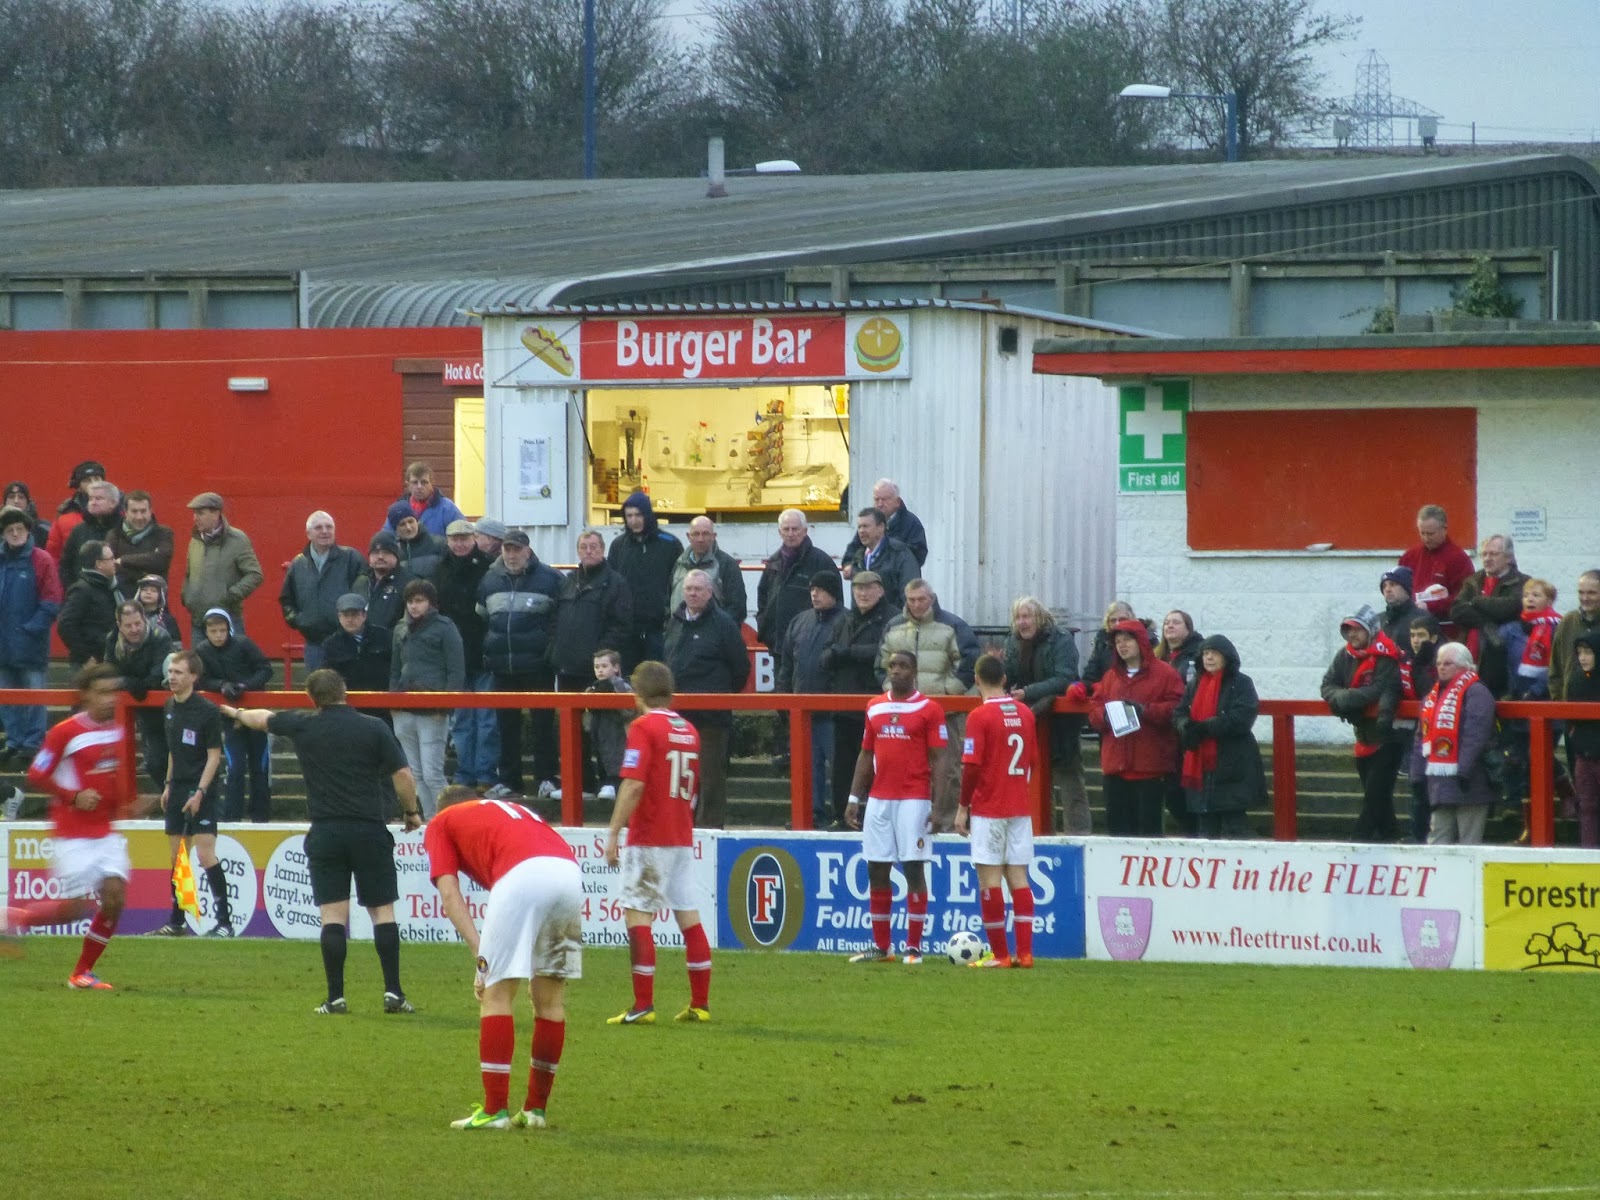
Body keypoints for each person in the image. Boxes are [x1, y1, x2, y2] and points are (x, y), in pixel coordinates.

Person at [222, 669, 423, 1015]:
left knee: (332, 915)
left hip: (327, 831)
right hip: (369, 829)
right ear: (345, 690)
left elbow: (263, 719)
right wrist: (411, 812)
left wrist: (237, 714)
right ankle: (393, 992)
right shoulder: (374, 727)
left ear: (311, 698)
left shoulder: (304, 724)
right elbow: (403, 774)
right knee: (383, 912)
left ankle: (336, 998)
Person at [426, 784, 582, 1131]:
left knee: (495, 993)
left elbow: (449, 896)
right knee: (550, 1000)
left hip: (521, 875)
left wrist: (481, 958)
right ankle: (535, 1111)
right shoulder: (510, 809)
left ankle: (495, 1110)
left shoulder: (441, 822)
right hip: (569, 872)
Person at [4, 666, 144, 987]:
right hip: (73, 834)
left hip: (106, 831)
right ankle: (11, 919)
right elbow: (37, 774)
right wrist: (74, 796)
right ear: (86, 695)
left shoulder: (120, 729)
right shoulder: (64, 732)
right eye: (102, 692)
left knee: (115, 898)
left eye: (114, 692)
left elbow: (113, 776)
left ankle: (81, 973)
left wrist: (129, 802)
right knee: (75, 909)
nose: (110, 699)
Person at [602, 661, 713, 1025]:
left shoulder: (643, 727)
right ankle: (699, 1004)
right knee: (688, 916)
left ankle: (643, 1004)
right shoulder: (689, 729)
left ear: (637, 694)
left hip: (649, 835)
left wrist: (615, 831)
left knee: (638, 916)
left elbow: (633, 784)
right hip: (681, 834)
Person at [844, 649, 950, 965]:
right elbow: (866, 754)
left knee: (913, 867)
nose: (897, 671)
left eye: (903, 666)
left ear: (914, 671)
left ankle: (914, 947)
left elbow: (941, 759)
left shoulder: (929, 709)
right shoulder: (875, 707)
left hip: (914, 799)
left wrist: (939, 803)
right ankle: (882, 947)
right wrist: (853, 798)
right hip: (879, 799)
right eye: (892, 665)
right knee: (876, 867)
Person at [954, 654, 1038, 968]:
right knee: (1019, 877)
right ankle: (1026, 953)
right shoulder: (1025, 713)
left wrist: (963, 808)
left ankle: (1001, 956)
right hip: (1019, 806)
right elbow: (1032, 761)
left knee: (989, 881)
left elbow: (971, 767)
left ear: (977, 680)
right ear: (1004, 680)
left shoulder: (979, 717)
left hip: (990, 808)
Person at [878, 580, 977, 831]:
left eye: (921, 599)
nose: (916, 605)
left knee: (950, 768)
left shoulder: (952, 626)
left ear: (932, 598)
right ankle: (913, 821)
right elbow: (880, 665)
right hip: (904, 712)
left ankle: (948, 822)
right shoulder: (893, 627)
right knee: (910, 767)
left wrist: (948, 692)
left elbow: (969, 661)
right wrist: (892, 692)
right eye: (911, 600)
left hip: (944, 711)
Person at [148, 650, 232, 938]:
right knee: (178, 857)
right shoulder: (169, 706)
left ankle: (224, 922)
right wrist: (169, 784)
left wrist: (200, 792)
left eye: (179, 672)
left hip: (202, 787)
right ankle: (177, 920)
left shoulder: (207, 710)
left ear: (194, 677)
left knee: (206, 854)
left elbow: (213, 756)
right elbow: (173, 750)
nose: (172, 677)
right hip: (179, 786)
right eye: (171, 671)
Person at [478, 530, 562, 801]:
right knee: (507, 727)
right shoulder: (490, 579)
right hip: (503, 666)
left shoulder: (550, 579)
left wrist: (549, 652)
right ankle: (509, 780)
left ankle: (546, 778)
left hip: (538, 665)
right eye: (507, 550)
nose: (512, 555)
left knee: (543, 725)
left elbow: (560, 621)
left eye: (517, 550)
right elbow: (482, 616)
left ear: (528, 550)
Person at [663, 569, 749, 828]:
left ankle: (709, 830)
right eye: (688, 589)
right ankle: (678, 827)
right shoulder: (674, 621)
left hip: (711, 718)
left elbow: (741, 667)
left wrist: (720, 696)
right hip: (678, 718)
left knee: (710, 778)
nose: (692, 593)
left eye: (698, 589)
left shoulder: (723, 624)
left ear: (710, 593)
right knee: (678, 777)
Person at [551, 530, 633, 796]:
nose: (588, 551)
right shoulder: (567, 582)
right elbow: (555, 620)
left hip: (598, 672)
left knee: (604, 730)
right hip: (567, 669)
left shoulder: (615, 582)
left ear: (603, 550)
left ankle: (609, 780)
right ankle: (578, 783)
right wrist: (554, 652)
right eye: (584, 546)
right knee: (570, 731)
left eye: (594, 546)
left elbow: (621, 625)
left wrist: (601, 659)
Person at [756, 509, 839, 769]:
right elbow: (763, 599)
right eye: (786, 529)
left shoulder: (821, 562)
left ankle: (812, 757)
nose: (791, 533)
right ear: (779, 532)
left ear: (805, 530)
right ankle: (789, 752)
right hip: (780, 646)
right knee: (783, 700)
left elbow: (837, 605)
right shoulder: (773, 563)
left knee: (811, 704)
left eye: (795, 529)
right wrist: (765, 627)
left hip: (812, 647)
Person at [1087, 618, 1185, 837]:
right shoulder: (1111, 677)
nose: (1122, 645)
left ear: (1141, 642)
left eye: (1127, 640)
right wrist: (1105, 716)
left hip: (1150, 768)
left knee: (1148, 837)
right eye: (1118, 642)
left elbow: (1176, 708)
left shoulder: (1165, 674)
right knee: (1117, 836)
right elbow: (1094, 708)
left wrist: (1144, 710)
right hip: (1115, 768)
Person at [1001, 596, 1088, 835]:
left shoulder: (1061, 640)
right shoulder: (1012, 642)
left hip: (1062, 722)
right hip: (1029, 719)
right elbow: (1005, 673)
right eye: (1018, 617)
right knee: (1036, 781)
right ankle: (1040, 834)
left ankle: (1077, 836)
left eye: (1026, 616)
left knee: (1070, 781)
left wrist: (1028, 691)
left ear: (1039, 617)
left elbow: (1064, 677)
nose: (1022, 622)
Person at [1320, 605, 1404, 842]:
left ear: (1371, 631)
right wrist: (1341, 698)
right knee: (1378, 797)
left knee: (1375, 796)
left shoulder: (1387, 656)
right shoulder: (1344, 656)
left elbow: (1379, 688)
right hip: (1363, 735)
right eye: (1347, 630)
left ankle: (1357, 843)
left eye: (1357, 629)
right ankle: (1392, 839)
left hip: (1389, 734)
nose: (1352, 635)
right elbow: (1327, 685)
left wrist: (1345, 698)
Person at [1172, 635, 1265, 840]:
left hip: (1232, 763)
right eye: (1205, 653)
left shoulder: (1241, 682)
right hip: (1200, 766)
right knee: (1206, 829)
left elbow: (1243, 716)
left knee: (1235, 828)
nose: (1209, 657)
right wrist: (1186, 727)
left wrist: (1206, 727)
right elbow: (1179, 712)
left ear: (1227, 657)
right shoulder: (1195, 684)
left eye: (1214, 653)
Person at [777, 571, 848, 828]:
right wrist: (783, 696)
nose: (814, 594)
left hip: (834, 713)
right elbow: (787, 664)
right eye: (812, 589)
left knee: (837, 767)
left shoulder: (847, 621)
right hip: (802, 711)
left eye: (821, 589)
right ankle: (811, 815)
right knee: (806, 768)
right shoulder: (799, 621)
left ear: (834, 592)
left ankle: (841, 815)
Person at [389, 578, 465, 819]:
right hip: (403, 707)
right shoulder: (400, 628)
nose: (414, 606)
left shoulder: (445, 627)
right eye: (410, 601)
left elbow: (456, 669)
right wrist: (393, 702)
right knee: (415, 773)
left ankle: (450, 820)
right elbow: (394, 667)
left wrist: (447, 703)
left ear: (431, 603)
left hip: (433, 708)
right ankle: (432, 821)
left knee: (432, 773)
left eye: (419, 601)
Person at [433, 519, 499, 790]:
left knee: (486, 718)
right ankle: (464, 773)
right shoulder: (438, 570)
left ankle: (485, 773)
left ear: (473, 539)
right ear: (448, 540)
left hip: (482, 653)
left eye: (464, 538)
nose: (459, 543)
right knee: (461, 721)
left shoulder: (488, 568)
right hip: (453, 658)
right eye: (454, 538)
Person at [1411, 642, 1496, 845]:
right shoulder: (1432, 697)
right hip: (1440, 783)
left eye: (1448, 663)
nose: (1441, 667)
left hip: (1470, 782)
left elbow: (1476, 734)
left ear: (1464, 666)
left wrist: (1463, 770)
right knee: (1437, 841)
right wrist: (1416, 773)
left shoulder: (1477, 692)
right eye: (1439, 663)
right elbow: (1420, 737)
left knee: (1469, 844)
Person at [826, 572, 893, 825]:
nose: (862, 594)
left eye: (868, 588)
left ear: (880, 590)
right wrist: (834, 656)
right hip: (843, 706)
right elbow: (828, 651)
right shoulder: (844, 619)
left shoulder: (890, 618)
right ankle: (841, 816)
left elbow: (884, 653)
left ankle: (874, 817)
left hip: (875, 706)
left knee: (877, 765)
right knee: (842, 765)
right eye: (857, 589)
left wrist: (847, 653)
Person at [196, 609, 274, 823]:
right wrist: (222, 686)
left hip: (256, 713)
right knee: (235, 767)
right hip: (228, 716)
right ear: (206, 632)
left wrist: (246, 685)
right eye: (213, 631)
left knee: (260, 766)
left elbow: (265, 669)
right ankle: (232, 818)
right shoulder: (202, 651)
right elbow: (201, 679)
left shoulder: (244, 644)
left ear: (229, 628)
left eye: (222, 630)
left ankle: (261, 817)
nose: (218, 635)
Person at [0, 504, 62, 769]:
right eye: (10, 530)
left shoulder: (41, 559)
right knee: (6, 696)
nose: (15, 534)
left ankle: (33, 742)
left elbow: (51, 601)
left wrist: (29, 630)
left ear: (28, 531)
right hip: (2, 644)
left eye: (19, 529)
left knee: (35, 694)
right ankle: (13, 741)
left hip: (30, 644)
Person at [101, 600, 174, 791]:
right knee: (155, 763)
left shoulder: (160, 637)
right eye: (128, 625)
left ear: (145, 620)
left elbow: (157, 675)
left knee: (180, 759)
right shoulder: (112, 640)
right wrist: (130, 683)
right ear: (119, 625)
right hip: (143, 711)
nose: (134, 629)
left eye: (138, 623)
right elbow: (110, 674)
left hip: (167, 708)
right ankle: (170, 797)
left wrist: (131, 683)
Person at [279, 510, 363, 672]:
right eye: (318, 528)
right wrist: (299, 621)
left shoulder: (352, 558)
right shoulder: (298, 565)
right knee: (319, 693)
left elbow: (363, 594)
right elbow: (286, 599)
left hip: (348, 641)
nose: (325, 531)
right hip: (314, 644)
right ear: (308, 534)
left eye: (329, 527)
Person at [606, 492, 682, 669]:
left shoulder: (670, 544)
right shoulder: (618, 545)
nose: (634, 520)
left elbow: (679, 583)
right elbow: (612, 584)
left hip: (659, 628)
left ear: (648, 514)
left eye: (638, 515)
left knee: (657, 678)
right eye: (629, 516)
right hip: (627, 629)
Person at [179, 492, 263, 640]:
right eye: (194, 513)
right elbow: (188, 573)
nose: (195, 518)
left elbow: (255, 574)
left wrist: (231, 595)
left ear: (216, 513)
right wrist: (187, 596)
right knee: (200, 663)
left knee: (233, 662)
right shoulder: (196, 540)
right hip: (199, 620)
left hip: (228, 618)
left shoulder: (237, 540)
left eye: (200, 513)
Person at [1449, 533, 1528, 689]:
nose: (1487, 558)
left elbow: (1508, 608)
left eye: (1493, 554)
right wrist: (1485, 622)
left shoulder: (1523, 581)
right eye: (1484, 554)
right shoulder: (1473, 580)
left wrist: (1476, 601)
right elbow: (1456, 610)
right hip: (1469, 647)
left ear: (1509, 558)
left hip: (1500, 651)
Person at [1399, 504, 1474, 635]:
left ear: (1444, 529)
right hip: (1412, 629)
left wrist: (1429, 606)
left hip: (1444, 630)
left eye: (1431, 533)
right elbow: (1399, 590)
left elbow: (1465, 598)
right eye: (1422, 533)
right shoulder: (1409, 557)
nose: (1426, 538)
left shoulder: (1459, 559)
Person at [1402, 614, 1443, 844]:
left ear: (1434, 637)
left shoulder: (1437, 663)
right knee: (1416, 785)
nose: (1416, 640)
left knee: (1427, 787)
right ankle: (1417, 834)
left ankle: (1424, 836)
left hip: (1436, 734)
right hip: (1416, 732)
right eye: (1412, 635)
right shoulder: (1409, 659)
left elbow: (1430, 692)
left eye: (1421, 636)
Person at [669, 516, 747, 622]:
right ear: (688, 536)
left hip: (714, 636)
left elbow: (738, 608)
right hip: (680, 633)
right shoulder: (678, 564)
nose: (700, 539)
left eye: (705, 534)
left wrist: (718, 630)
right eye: (696, 534)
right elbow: (667, 599)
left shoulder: (727, 565)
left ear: (714, 536)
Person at [57, 540, 121, 668]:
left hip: (108, 659)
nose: (115, 562)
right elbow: (65, 625)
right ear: (99, 564)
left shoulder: (109, 587)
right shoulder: (82, 590)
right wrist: (85, 657)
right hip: (90, 663)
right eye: (111, 558)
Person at [840, 508, 917, 612]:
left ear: (881, 527)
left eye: (866, 526)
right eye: (859, 527)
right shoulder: (858, 557)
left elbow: (909, 592)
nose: (861, 531)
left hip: (891, 623)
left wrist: (895, 619)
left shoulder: (900, 554)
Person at [320, 593, 394, 701]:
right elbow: (327, 676)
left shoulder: (384, 636)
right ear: (339, 617)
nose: (350, 619)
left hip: (381, 700)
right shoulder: (331, 644)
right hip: (347, 702)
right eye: (345, 615)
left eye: (354, 614)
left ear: (364, 615)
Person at [842, 479, 928, 569]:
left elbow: (919, 555)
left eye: (884, 499)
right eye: (876, 499)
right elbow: (854, 547)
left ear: (897, 502)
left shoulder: (911, 523)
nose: (880, 504)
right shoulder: (869, 522)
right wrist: (848, 564)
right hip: (869, 579)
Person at [1564, 631, 1600, 848]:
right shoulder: (1577, 678)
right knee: (1586, 805)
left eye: (1588, 652)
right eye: (1580, 653)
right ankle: (1588, 854)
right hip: (1584, 754)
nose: (1583, 657)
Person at [583, 649, 632, 802]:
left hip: (617, 732)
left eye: (604, 666)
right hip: (599, 732)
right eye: (597, 667)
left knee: (616, 758)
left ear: (616, 668)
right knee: (602, 757)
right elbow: (586, 718)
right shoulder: (592, 688)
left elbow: (630, 711)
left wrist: (614, 697)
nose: (600, 670)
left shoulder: (623, 687)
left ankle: (614, 784)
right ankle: (606, 782)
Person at [106, 489, 175, 595]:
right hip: (123, 599)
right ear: (125, 512)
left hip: (155, 600)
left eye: (143, 511)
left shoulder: (163, 533)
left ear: (150, 510)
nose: (139, 517)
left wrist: (124, 560)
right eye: (134, 511)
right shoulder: (114, 535)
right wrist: (148, 560)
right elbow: (110, 565)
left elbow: (161, 561)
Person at [1549, 570, 1600, 702]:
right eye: (1581, 592)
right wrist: (1560, 702)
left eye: (1591, 593)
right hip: (1568, 711)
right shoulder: (1568, 621)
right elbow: (1555, 669)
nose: (1585, 598)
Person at [44, 460, 106, 564]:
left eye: (97, 479)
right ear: (78, 487)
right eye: (87, 480)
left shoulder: (119, 511)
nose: (94, 484)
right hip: (76, 577)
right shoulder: (65, 515)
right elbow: (53, 556)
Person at [385, 461, 467, 538]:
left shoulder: (447, 508)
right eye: (414, 482)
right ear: (408, 485)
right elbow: (385, 538)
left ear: (432, 484)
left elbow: (464, 534)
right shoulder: (398, 510)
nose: (419, 487)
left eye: (424, 482)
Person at [60, 480, 123, 578]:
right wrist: (74, 588)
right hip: (83, 590)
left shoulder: (123, 529)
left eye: (98, 498)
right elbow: (66, 564)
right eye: (90, 499)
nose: (93, 503)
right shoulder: (78, 530)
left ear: (113, 503)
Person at [356, 531, 413, 633]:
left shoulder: (409, 583)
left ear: (396, 556)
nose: (380, 556)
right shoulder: (361, 581)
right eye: (375, 552)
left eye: (386, 552)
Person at [1155, 610, 1204, 688]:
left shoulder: (1199, 653)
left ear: (1188, 629)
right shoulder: (1156, 655)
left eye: (1176, 622)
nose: (1170, 626)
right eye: (1166, 623)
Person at [1378, 567, 1425, 648]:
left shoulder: (1422, 619)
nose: (1387, 589)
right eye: (1384, 586)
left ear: (1406, 588)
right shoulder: (1378, 620)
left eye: (1393, 584)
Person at [394, 512, 444, 580]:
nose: (408, 527)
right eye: (402, 524)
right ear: (396, 529)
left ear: (417, 522)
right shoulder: (394, 551)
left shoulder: (439, 544)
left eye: (411, 521)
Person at [133, 573, 182, 642]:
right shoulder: (131, 615)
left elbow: (176, 642)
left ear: (161, 595)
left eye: (153, 590)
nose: (148, 592)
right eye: (144, 589)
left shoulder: (167, 619)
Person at [4, 481, 50, 550]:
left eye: (21, 497)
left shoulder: (43, 528)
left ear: (27, 502)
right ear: (5, 502)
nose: (16, 501)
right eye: (11, 497)